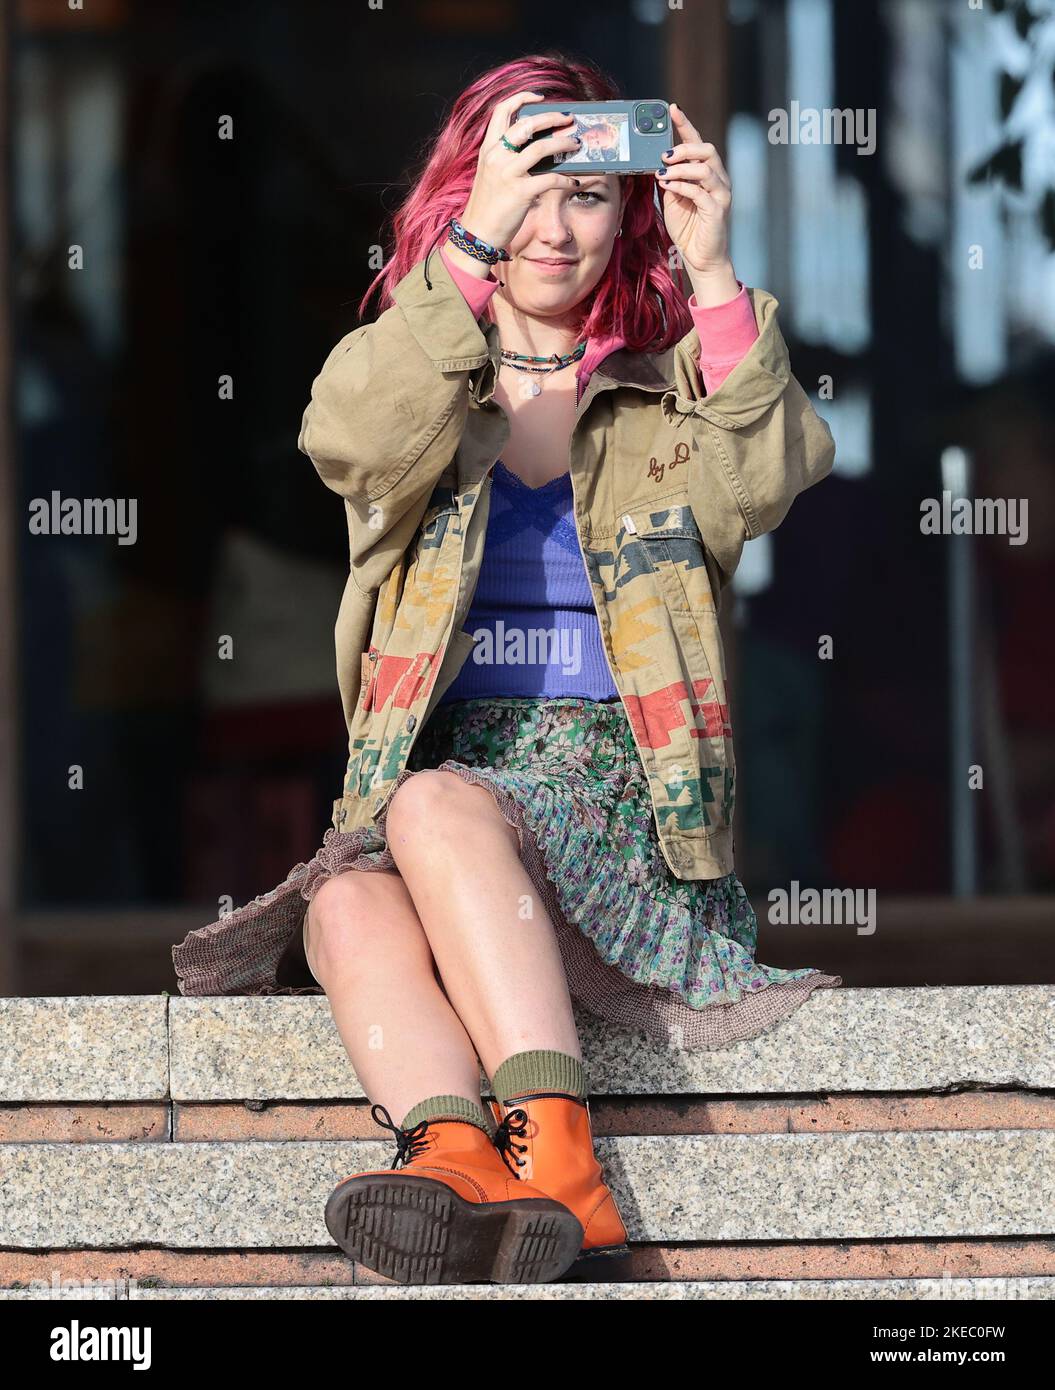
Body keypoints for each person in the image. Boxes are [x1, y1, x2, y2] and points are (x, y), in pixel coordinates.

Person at [171, 52, 843, 1286]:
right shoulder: (424, 370)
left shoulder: (669, 387)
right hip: (448, 795)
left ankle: (560, 1159)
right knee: (341, 902)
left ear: (624, 213)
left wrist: (711, 279)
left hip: (623, 793)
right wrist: (464, 261)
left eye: (585, 194)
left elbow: (765, 482)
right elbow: (345, 437)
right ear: (470, 194)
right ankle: (460, 1158)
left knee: (429, 804)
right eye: (522, 184)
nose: (553, 223)